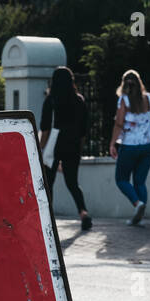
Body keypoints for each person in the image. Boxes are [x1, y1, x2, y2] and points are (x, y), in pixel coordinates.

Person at [108, 69, 150, 225]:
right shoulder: (149, 99)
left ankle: (138, 204)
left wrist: (112, 143)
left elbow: (119, 123)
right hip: (149, 145)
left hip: (130, 146)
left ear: (124, 85)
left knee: (121, 179)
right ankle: (139, 217)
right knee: (140, 181)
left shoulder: (124, 100)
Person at [40, 67, 93, 231]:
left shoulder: (51, 101)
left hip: (54, 146)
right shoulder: (79, 100)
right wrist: (80, 148)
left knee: (49, 183)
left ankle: (49, 219)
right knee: (72, 183)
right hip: (73, 145)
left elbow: (46, 128)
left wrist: (40, 148)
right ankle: (83, 212)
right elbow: (84, 130)